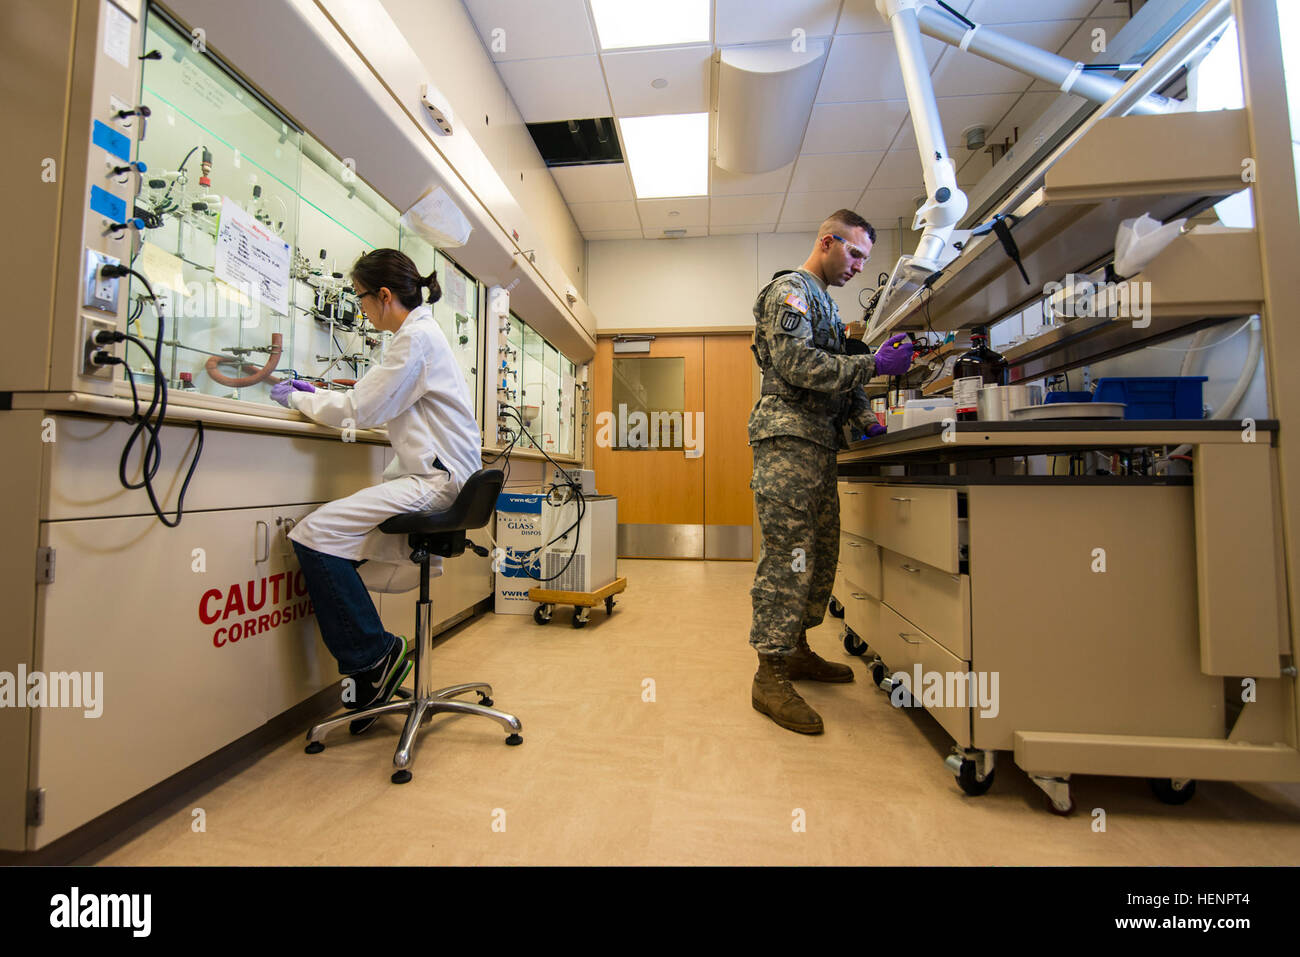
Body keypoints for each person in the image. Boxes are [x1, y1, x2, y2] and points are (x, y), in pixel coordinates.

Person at [271, 248, 482, 733]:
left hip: (436, 482)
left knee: (312, 534)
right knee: (342, 546)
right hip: (443, 479)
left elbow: (359, 410)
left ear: (384, 296)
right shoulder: (421, 336)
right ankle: (373, 664)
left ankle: (374, 657)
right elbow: (372, 404)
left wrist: (303, 396)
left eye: (361, 298)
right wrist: (317, 396)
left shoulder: (415, 341)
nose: (361, 308)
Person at [748, 210, 914, 734]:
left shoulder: (826, 304)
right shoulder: (791, 292)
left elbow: (840, 375)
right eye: (857, 254)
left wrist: (865, 415)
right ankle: (769, 675)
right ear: (828, 241)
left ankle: (795, 649)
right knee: (788, 557)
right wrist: (874, 365)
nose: (861, 267)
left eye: (866, 257)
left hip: (817, 444)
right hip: (788, 442)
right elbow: (799, 364)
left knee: (818, 553)